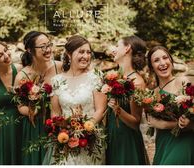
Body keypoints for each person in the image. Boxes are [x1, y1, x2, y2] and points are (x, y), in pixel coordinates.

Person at [46, 35, 107, 165]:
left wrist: (84, 130)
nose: (86, 56)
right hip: (65, 140)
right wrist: (62, 131)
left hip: (90, 140)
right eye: (81, 52)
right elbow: (55, 113)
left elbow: (100, 110)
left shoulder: (96, 76)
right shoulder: (57, 80)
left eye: (88, 52)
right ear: (69, 54)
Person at [14, 31, 62, 165]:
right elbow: (19, 106)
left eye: (49, 45)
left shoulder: (60, 67)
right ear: (30, 50)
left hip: (58, 123)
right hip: (35, 127)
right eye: (43, 47)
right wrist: (31, 110)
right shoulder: (22, 75)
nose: (48, 50)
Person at [147, 46, 194, 165]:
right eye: (156, 60)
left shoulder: (185, 82)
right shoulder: (152, 94)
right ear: (152, 67)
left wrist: (164, 124)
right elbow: (151, 123)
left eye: (165, 58)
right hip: (162, 145)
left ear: (171, 61)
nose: (162, 63)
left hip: (184, 144)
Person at [106, 35, 148, 165]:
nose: (114, 49)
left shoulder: (137, 82)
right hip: (110, 135)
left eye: (117, 46)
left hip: (126, 140)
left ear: (127, 49)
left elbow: (135, 122)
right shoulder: (115, 76)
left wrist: (117, 109)